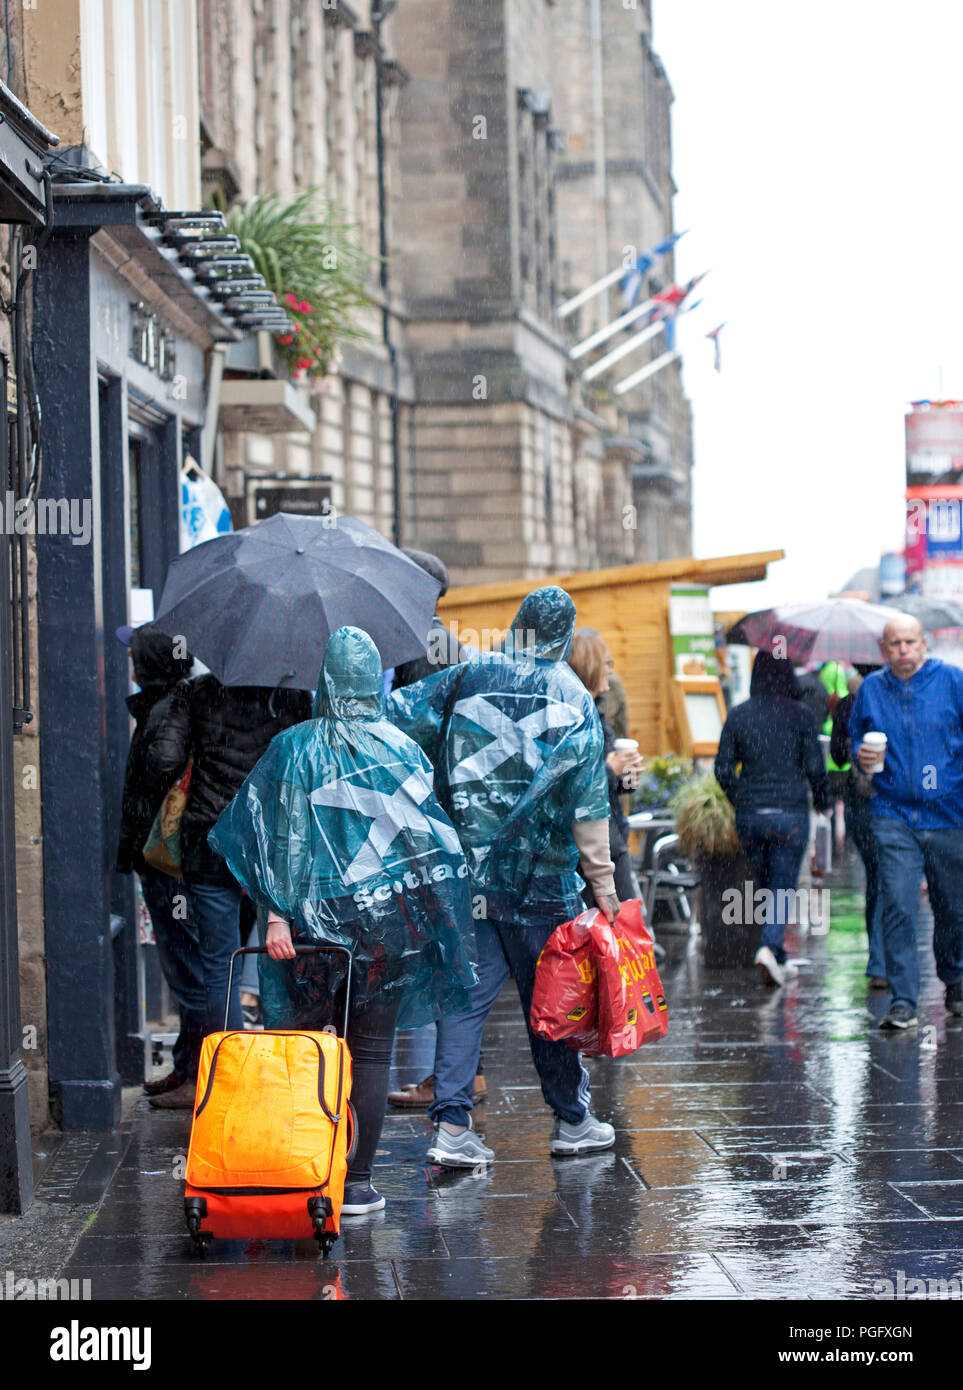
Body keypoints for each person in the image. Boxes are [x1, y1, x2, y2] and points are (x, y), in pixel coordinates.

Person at [209, 627, 478, 1214]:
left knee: (303, 1044)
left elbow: (280, 843)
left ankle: (301, 1168)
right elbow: (421, 844)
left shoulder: (293, 748)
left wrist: (275, 919)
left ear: (324, 681)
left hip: (310, 927)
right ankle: (357, 1184)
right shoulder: (402, 747)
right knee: (374, 1052)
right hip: (388, 923)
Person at [390, 585, 619, 1166]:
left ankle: (452, 1125)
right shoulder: (574, 698)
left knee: (464, 999)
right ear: (565, 633)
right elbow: (590, 809)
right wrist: (605, 888)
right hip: (542, 881)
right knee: (553, 1001)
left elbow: (399, 720)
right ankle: (571, 1121)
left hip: (470, 878)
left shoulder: (468, 675)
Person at [147, 671, 312, 1106]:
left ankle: (232, 1076)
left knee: (220, 964)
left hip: (210, 838)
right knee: (280, 958)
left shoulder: (197, 691)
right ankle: (284, 1079)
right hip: (270, 838)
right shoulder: (292, 694)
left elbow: (163, 759)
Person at [386, 549, 484, 1109]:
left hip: (425, 813)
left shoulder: (423, 650)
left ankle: (448, 1078)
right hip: (445, 813)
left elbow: (416, 737)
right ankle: (460, 1072)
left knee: (438, 943)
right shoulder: (442, 644)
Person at [850, 615, 963, 1029]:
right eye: (895, 643)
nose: (903, 650)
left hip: (949, 813)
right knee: (897, 902)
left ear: (925, 643)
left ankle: (955, 978)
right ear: (883, 649)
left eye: (910, 642)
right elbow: (853, 739)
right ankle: (903, 1000)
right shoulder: (873, 691)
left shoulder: (953, 682)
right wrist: (861, 754)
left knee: (951, 906)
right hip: (892, 813)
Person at [115, 626, 206, 1099]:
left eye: (134, 652)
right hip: (174, 859)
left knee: (187, 966)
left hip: (170, 861)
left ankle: (197, 1076)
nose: (127, 658)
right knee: (187, 964)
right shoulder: (174, 702)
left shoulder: (167, 708)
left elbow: (162, 769)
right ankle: (187, 1064)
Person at [715, 651, 831, 987]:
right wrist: (822, 800)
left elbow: (722, 769)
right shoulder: (801, 715)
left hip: (751, 815)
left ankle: (777, 953)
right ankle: (768, 947)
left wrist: (742, 799)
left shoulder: (738, 715)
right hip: (790, 813)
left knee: (766, 883)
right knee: (782, 885)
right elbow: (814, 767)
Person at [566, 629, 643, 904]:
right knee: (621, 929)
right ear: (590, 666)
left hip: (612, 838)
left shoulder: (597, 713)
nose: (610, 671)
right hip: (596, 848)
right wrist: (610, 769)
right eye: (606, 663)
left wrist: (627, 774)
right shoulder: (577, 719)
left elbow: (613, 788)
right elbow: (576, 785)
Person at [830, 664, 885, 989]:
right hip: (898, 804)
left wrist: (839, 715)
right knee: (890, 881)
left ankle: (878, 959)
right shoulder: (900, 697)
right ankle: (885, 957)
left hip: (862, 805)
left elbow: (837, 756)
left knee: (877, 880)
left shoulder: (852, 702)